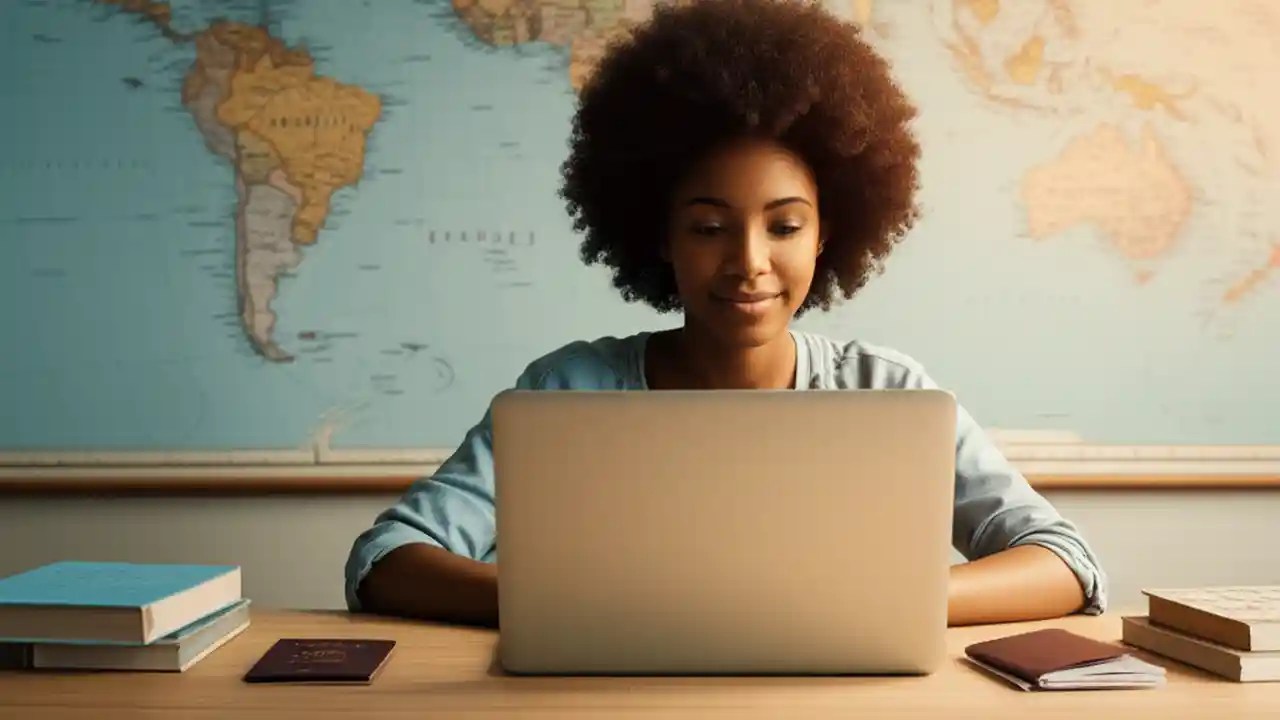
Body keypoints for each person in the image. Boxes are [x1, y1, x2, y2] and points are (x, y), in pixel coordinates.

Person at [345, 0, 1106, 628]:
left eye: (784, 226)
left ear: (828, 232)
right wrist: (584, 613)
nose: (749, 262)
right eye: (709, 228)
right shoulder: (567, 389)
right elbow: (387, 561)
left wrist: (882, 607)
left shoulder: (888, 389)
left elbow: (1064, 561)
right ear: (660, 234)